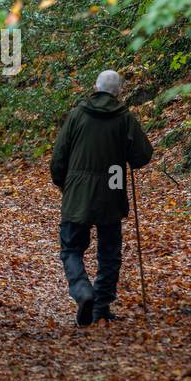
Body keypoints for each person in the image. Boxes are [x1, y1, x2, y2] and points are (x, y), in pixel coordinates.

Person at [50, 69, 153, 326]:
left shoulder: (77, 116)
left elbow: (58, 159)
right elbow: (143, 156)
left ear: (95, 88)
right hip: (112, 190)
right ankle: (100, 305)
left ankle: (84, 292)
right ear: (118, 92)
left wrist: (66, 185)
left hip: (78, 193)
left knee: (71, 248)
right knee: (109, 252)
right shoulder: (124, 119)